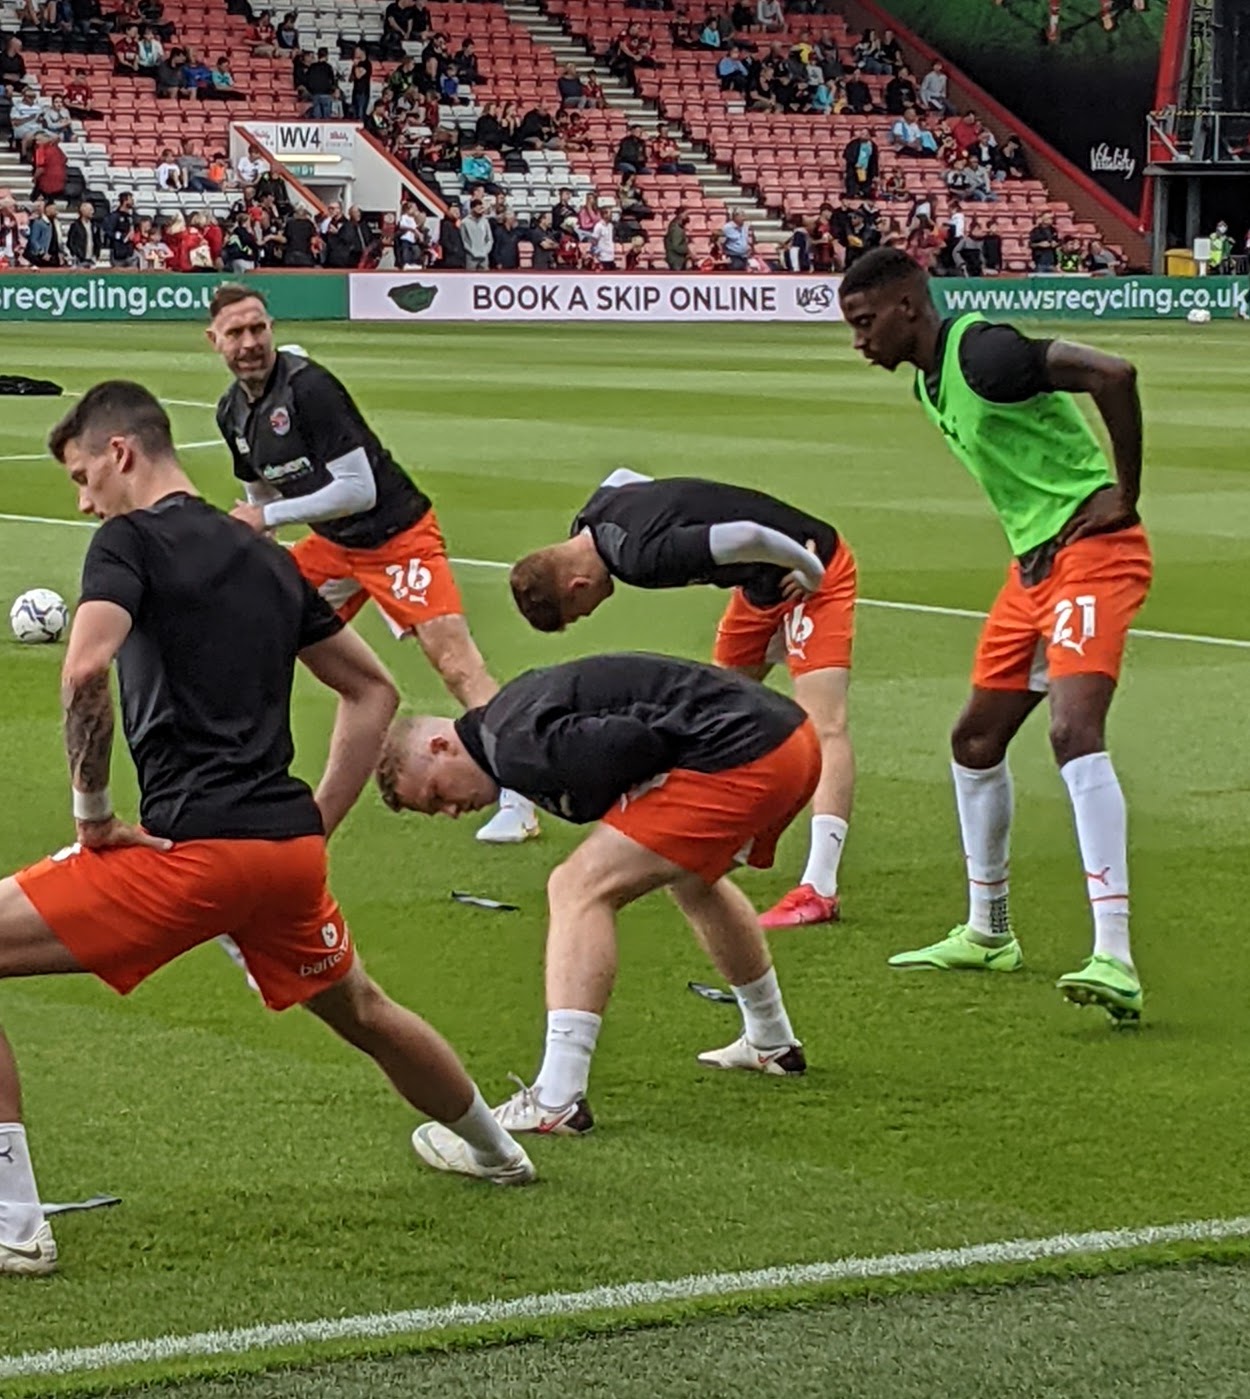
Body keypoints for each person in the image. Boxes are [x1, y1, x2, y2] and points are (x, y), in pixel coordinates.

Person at [0, 384, 537, 1274]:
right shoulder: (271, 559)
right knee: (363, 1008)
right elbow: (375, 691)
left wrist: (93, 816)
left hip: (187, 855)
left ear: (122, 452)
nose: (85, 499)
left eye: (82, 475)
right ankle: (495, 1147)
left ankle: (15, 1221)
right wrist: (316, 821)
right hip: (282, 855)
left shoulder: (127, 541)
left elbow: (85, 668)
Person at [838, 248, 1150, 1024]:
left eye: (864, 321)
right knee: (975, 740)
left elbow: (1114, 373)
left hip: (1094, 552)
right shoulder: (930, 380)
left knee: (1074, 730)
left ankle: (1115, 952)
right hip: (1035, 569)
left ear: (908, 305)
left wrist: (1124, 495)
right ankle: (989, 930)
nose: (859, 342)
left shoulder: (983, 353)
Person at [376, 654, 816, 1136]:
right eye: (437, 810)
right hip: (791, 740)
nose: (453, 810)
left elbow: (633, 742)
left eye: (437, 794)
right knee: (691, 880)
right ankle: (771, 1039)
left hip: (742, 753)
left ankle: (557, 1097)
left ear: (441, 747)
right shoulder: (507, 724)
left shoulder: (513, 746)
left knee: (577, 886)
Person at [207, 285, 538, 845]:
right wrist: (253, 555)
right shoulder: (232, 411)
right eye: (236, 333)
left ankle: (523, 795)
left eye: (258, 328)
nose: (250, 342)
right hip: (333, 547)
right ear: (213, 341)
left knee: (456, 664)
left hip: (397, 536)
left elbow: (357, 490)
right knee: (245, 630)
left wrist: (266, 520)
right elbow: (259, 497)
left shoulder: (309, 388)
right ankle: (241, 781)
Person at [509, 470, 857, 929]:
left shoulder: (639, 558)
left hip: (811, 569)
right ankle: (719, 839)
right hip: (759, 588)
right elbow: (624, 477)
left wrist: (811, 571)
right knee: (723, 716)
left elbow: (748, 535)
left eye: (580, 611)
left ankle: (819, 888)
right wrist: (689, 508)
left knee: (823, 723)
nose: (591, 611)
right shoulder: (591, 517)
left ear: (577, 586)